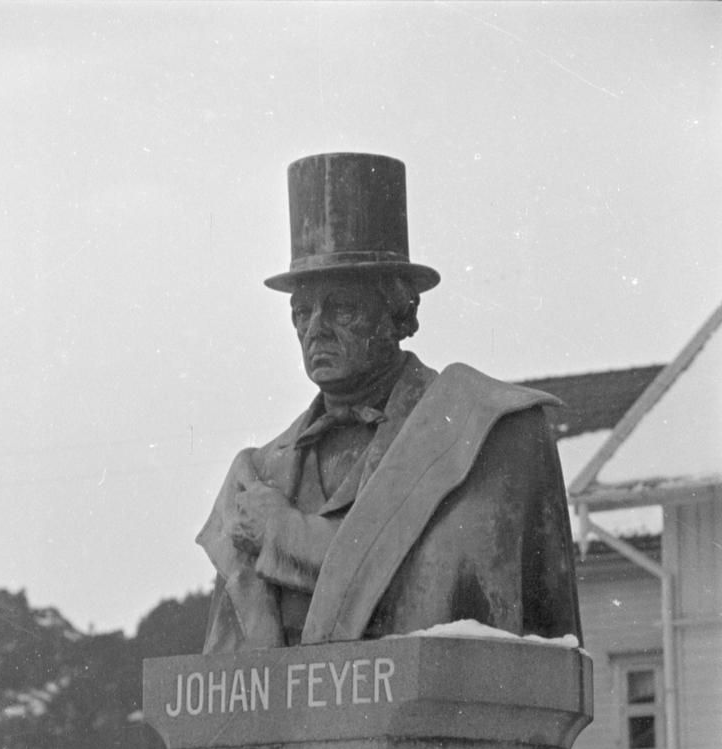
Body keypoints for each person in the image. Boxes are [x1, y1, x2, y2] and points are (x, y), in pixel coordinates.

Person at [197, 153, 581, 652]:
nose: (315, 329)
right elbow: (226, 675)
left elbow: (450, 595)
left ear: (400, 313)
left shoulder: (485, 431)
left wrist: (285, 534)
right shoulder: (258, 474)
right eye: (302, 311)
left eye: (342, 308)